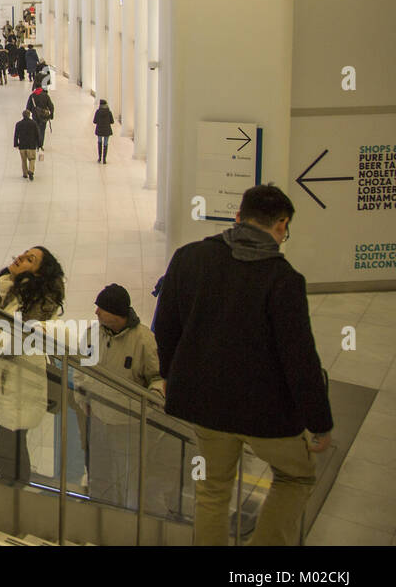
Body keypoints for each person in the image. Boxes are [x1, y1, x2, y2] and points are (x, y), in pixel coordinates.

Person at [152, 184, 332, 546]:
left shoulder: (188, 258)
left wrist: (171, 376)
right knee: (296, 478)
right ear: (281, 225)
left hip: (205, 405)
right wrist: (319, 422)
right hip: (267, 415)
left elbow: (165, 327)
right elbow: (300, 358)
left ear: (238, 217)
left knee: (213, 490)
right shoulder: (284, 280)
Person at [76, 284, 169, 512]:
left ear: (116, 313)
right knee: (98, 471)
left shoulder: (144, 340)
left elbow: (158, 377)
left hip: (128, 424)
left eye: (101, 308)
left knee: (129, 476)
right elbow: (81, 368)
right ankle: (98, 513)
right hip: (97, 417)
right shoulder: (92, 334)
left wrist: (152, 401)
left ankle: (128, 517)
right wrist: (81, 395)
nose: (96, 312)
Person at [0, 246, 67, 485]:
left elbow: (6, 345)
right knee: (8, 450)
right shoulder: (10, 288)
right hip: (5, 382)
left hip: (19, 385)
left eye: (30, 259)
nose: (19, 257)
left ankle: (16, 495)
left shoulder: (40, 304)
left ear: (39, 274)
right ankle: (15, 491)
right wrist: (2, 285)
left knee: (8, 454)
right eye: (24, 253)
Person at [13, 108, 41, 181]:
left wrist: (16, 144)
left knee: (23, 160)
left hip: (22, 146)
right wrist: (39, 144)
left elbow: (16, 135)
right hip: (31, 145)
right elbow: (37, 134)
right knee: (32, 159)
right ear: (29, 115)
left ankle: (25, 174)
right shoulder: (33, 123)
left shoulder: (18, 124)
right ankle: (31, 171)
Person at [26, 85, 54, 150]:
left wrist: (29, 115)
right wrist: (51, 115)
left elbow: (28, 107)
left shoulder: (32, 96)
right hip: (43, 117)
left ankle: (36, 144)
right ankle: (41, 145)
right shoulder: (45, 95)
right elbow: (51, 106)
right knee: (42, 130)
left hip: (35, 116)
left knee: (35, 130)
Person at [93, 99, 115, 164]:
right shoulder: (109, 112)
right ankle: (104, 159)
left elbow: (94, 121)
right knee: (105, 144)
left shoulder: (97, 112)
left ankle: (99, 158)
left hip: (99, 130)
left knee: (99, 142)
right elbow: (112, 121)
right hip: (107, 130)